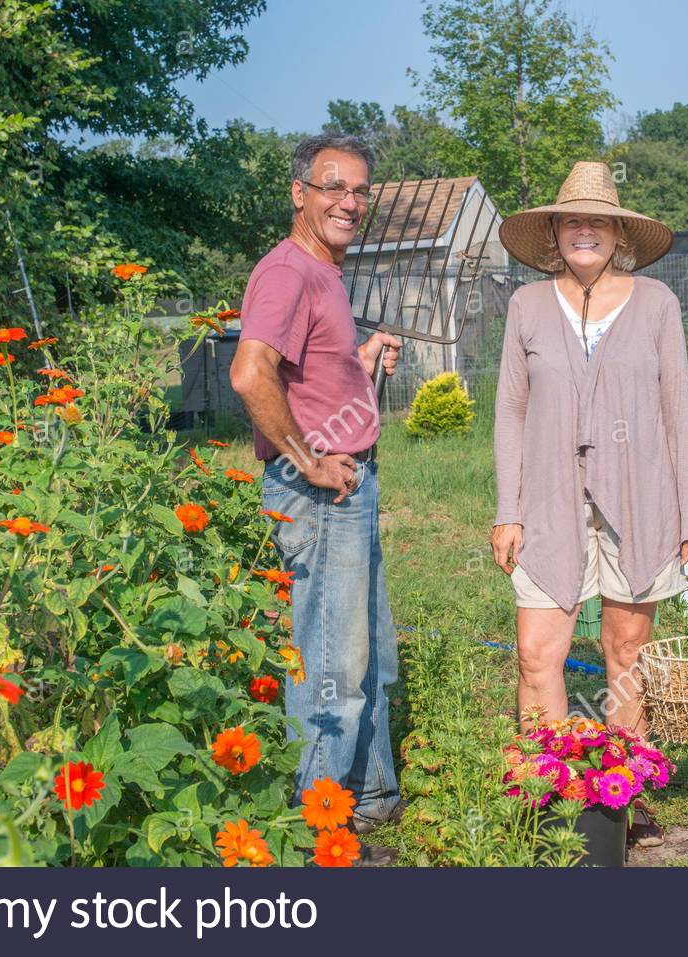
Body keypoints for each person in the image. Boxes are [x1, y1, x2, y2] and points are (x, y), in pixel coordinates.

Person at [490, 160, 688, 847]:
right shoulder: (527, 306)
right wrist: (509, 506)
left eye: (597, 220)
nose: (583, 230)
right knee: (536, 653)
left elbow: (681, 414)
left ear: (619, 234)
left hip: (640, 499)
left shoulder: (655, 304)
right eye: (571, 220)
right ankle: (545, 796)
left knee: (626, 650)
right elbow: (508, 411)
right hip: (549, 501)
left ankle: (623, 800)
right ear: (554, 232)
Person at [231, 134, 404, 865]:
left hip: (349, 487)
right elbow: (249, 373)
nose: (350, 202)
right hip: (320, 494)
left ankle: (367, 801)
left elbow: (311, 384)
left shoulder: (325, 271)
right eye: (334, 187)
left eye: (360, 190)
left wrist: (360, 366)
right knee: (333, 666)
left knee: (372, 657)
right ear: (299, 192)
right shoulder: (287, 272)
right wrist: (307, 459)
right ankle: (318, 834)